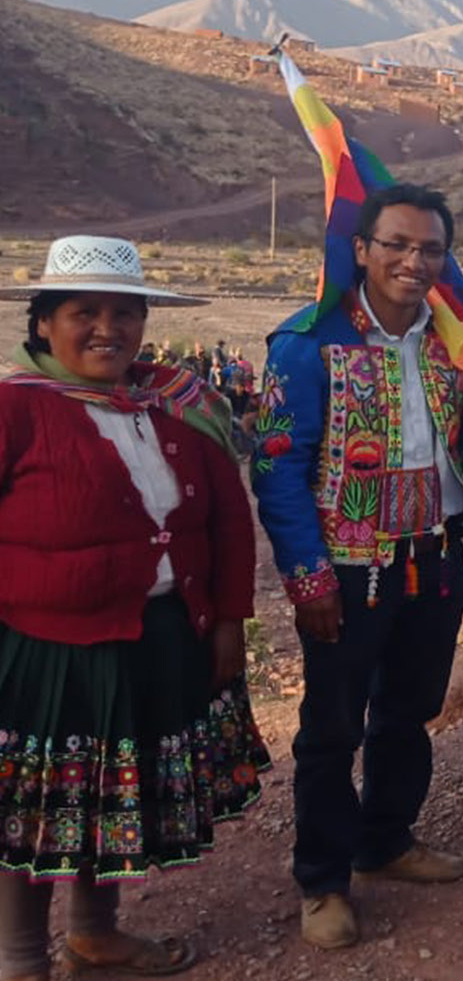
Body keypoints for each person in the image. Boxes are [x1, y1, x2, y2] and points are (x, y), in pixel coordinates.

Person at [252, 184, 463, 950]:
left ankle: (387, 839)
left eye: (430, 248)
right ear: (361, 248)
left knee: (409, 711)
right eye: (397, 244)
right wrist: (308, 578)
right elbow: (276, 470)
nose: (414, 260)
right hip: (348, 569)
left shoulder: (444, 343)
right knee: (331, 726)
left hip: (431, 558)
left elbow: (454, 440)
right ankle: (323, 878)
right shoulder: (306, 345)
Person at [0, 236, 269, 980]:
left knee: (112, 790)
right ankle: (21, 959)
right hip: (45, 646)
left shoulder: (180, 405)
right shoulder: (14, 410)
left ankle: (96, 932)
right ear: (44, 323)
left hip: (158, 634)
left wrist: (226, 619)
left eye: (125, 313)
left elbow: (225, 523)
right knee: (29, 807)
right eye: (84, 311)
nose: (107, 329)